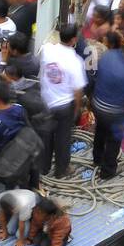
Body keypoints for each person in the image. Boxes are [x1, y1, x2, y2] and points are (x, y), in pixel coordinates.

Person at [39, 24, 87, 178]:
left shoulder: (47, 49)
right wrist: (77, 109)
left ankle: (43, 167)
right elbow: (78, 90)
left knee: (46, 136)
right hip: (64, 105)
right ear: (74, 40)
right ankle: (61, 170)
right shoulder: (75, 61)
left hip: (46, 102)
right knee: (63, 139)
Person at [91, 33, 124, 180]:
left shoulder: (108, 54)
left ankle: (97, 159)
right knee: (114, 140)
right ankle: (107, 172)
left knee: (100, 131)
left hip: (97, 105)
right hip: (112, 112)